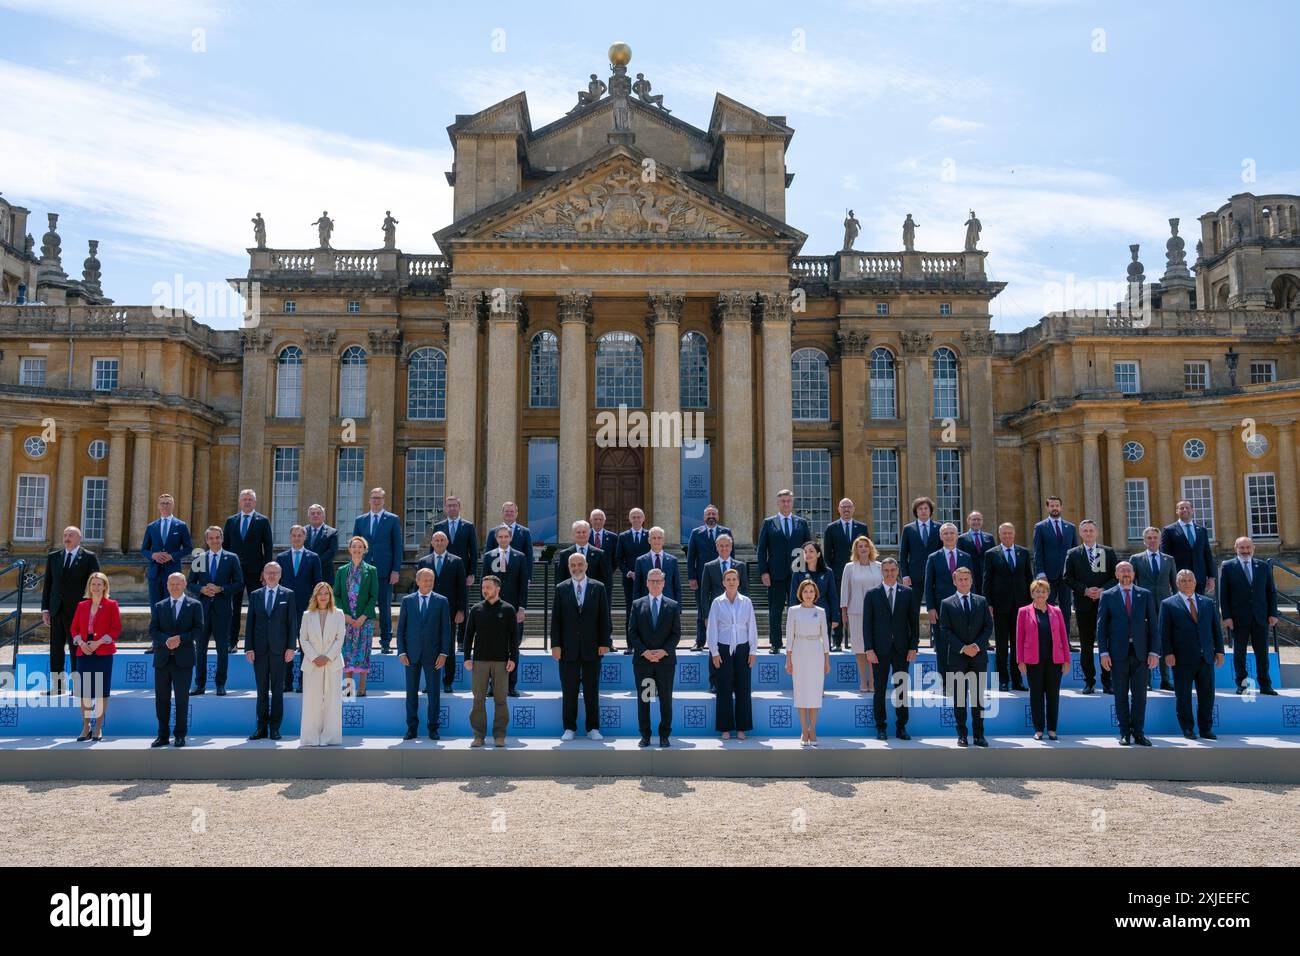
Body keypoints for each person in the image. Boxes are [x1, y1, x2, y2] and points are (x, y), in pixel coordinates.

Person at [550, 552, 612, 741]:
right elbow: (556, 620)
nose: (576, 568)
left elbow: (604, 617)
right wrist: (555, 645)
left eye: (580, 564)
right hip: (567, 649)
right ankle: (569, 727)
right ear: (568, 568)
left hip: (592, 648)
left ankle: (593, 727)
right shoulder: (561, 588)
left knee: (592, 690)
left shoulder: (598, 587)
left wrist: (604, 642)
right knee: (569, 690)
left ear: (586, 566)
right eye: (572, 565)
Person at [1097, 562, 1159, 746]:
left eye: (1129, 570)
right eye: (1122, 570)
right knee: (1120, 695)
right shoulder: (1108, 596)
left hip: (1141, 653)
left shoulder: (1145, 594)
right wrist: (1103, 653)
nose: (1126, 573)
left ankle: (1138, 732)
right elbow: (1101, 628)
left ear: (1133, 574)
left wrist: (1154, 652)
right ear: (1116, 574)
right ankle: (1125, 732)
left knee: (1140, 696)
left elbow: (1154, 626)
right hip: (1117, 654)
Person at [1159, 570, 1224, 740]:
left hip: (1206, 658)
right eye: (1183, 581)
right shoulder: (1168, 604)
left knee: (1207, 696)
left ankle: (1206, 729)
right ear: (1177, 583)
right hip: (1182, 659)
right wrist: (1168, 653)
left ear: (1195, 583)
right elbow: (1164, 633)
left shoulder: (1208, 603)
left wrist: (1219, 651)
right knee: (1183, 696)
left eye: (1190, 580)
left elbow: (1216, 630)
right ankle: (1188, 728)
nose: (1187, 583)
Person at [862, 558, 918, 740]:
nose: (889, 573)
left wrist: (913, 647)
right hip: (879, 650)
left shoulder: (908, 593)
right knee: (879, 689)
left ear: (898, 570)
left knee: (901, 689)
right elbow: (867, 625)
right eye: (886, 570)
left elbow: (914, 624)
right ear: (881, 572)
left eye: (892, 570)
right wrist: (869, 649)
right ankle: (881, 727)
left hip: (902, 649)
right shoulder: (872, 594)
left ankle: (901, 727)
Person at [41, 526, 100, 695]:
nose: (67, 538)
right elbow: (48, 585)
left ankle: (79, 687)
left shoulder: (89, 557)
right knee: (56, 650)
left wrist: (93, 610)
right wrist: (45, 609)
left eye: (71, 535)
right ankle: (57, 687)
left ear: (79, 538)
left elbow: (95, 586)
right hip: (56, 611)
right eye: (65, 535)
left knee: (77, 650)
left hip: (79, 612)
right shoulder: (53, 557)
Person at [1217, 536, 1279, 695]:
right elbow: (1224, 595)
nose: (1245, 551)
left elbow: (1271, 592)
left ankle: (1265, 685)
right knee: (1239, 653)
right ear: (1235, 548)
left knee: (1262, 653)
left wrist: (1273, 613)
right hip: (1238, 618)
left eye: (1248, 548)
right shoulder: (1228, 566)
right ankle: (1242, 685)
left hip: (1260, 617)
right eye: (1242, 548)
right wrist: (1227, 616)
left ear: (1253, 548)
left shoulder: (1263, 566)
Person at [628, 567, 682, 747]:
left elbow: (676, 634)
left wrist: (663, 651)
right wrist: (644, 652)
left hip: (665, 662)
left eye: (659, 581)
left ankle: (664, 734)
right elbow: (632, 632)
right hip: (644, 663)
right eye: (652, 581)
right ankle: (645, 735)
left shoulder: (672, 605)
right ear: (646, 583)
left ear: (664, 583)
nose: (655, 584)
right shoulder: (637, 604)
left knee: (665, 700)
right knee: (645, 700)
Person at [939, 567, 993, 747]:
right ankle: (962, 734)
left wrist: (976, 646)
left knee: (978, 698)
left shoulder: (981, 601)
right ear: (955, 581)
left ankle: (979, 735)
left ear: (971, 581)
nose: (963, 582)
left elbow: (988, 626)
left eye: (966, 579)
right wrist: (963, 647)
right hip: (958, 657)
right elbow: (945, 630)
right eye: (960, 579)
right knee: (960, 698)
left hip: (978, 656)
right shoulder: (946, 603)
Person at [1062, 519, 1117, 695]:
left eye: (1091, 530)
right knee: (1086, 645)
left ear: (1097, 532)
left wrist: (1103, 590)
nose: (1088, 533)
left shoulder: (1107, 552)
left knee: (1106, 644)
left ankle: (1107, 681)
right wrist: (1085, 590)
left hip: (1105, 605)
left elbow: (1116, 576)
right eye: (1084, 531)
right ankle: (1089, 681)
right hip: (1083, 605)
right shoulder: (1073, 553)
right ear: (1080, 533)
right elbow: (1067, 577)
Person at [245, 562, 299, 741]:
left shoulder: (288, 595)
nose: (272, 576)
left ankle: (275, 728)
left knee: (277, 691)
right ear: (263, 574)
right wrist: (249, 647)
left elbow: (292, 623)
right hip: (259, 650)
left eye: (275, 573)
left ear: (280, 574)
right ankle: (261, 728)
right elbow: (250, 624)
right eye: (268, 572)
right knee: (261, 691)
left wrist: (292, 647)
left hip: (280, 651)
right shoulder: (255, 595)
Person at [186, 525, 243, 696]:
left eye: (217, 537)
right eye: (211, 538)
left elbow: (239, 584)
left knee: (222, 649)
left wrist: (221, 589)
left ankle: (220, 684)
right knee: (200, 649)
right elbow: (190, 583)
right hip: (202, 611)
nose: (214, 541)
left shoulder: (231, 558)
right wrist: (202, 589)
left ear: (222, 538)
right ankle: (200, 684)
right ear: (206, 540)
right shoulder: (199, 558)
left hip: (223, 610)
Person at [464, 575, 519, 747]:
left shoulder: (509, 609)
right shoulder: (476, 609)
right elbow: (468, 636)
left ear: (498, 589)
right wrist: (467, 657)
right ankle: (479, 736)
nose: (485, 590)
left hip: (502, 662)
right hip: (480, 661)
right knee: (478, 699)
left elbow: (514, 638)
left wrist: (513, 659)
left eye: (488, 587)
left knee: (500, 699)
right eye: (483, 587)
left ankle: (499, 735)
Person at [397, 568, 451, 741]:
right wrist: (401, 651)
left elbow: (446, 630)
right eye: (425, 580)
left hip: (434, 655)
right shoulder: (407, 601)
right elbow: (401, 629)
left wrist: (443, 653)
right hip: (411, 655)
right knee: (411, 693)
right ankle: (411, 728)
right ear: (418, 581)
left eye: (431, 580)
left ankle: (433, 728)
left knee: (434, 693)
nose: (428, 583)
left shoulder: (442, 601)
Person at [149, 572, 202, 748]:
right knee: (161, 700)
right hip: (162, 660)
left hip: (183, 661)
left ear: (185, 584)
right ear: (167, 585)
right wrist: (166, 640)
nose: (175, 587)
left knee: (182, 699)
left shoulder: (195, 605)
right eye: (171, 584)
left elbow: (199, 630)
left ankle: (180, 735)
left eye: (178, 583)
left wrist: (180, 638)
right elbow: (153, 630)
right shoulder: (159, 605)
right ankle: (162, 735)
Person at [756, 489, 811, 653]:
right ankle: (776, 643)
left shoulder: (801, 523)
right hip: (775, 574)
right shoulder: (769, 523)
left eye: (788, 500)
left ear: (792, 502)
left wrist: (808, 572)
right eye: (783, 501)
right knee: (775, 610)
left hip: (798, 573)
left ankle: (798, 641)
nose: (786, 503)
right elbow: (761, 549)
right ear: (778, 503)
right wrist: (764, 572)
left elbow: (808, 548)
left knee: (799, 609)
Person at [706, 568, 758, 740]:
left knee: (743, 688)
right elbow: (712, 628)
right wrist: (714, 652)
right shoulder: (717, 602)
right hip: (723, 648)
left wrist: (753, 650)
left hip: (743, 647)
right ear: (723, 582)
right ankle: (725, 727)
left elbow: (752, 627)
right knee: (724, 688)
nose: (731, 582)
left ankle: (742, 728)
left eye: (734, 579)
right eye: (728, 579)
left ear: (738, 581)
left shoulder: (746, 602)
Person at [1015, 579, 1070, 740]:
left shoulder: (1057, 612)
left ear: (1048, 594)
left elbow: (1063, 637)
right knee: (1036, 695)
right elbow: (1019, 638)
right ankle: (1038, 729)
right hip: (1033, 661)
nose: (1040, 594)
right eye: (1037, 591)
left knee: (1053, 695)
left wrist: (1066, 660)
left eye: (1043, 591)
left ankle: (1052, 729)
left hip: (1055, 660)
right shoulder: (1023, 612)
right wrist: (1020, 661)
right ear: (1032, 594)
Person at [352, 487, 403, 653]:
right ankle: (360, 641)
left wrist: (395, 570)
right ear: (369, 500)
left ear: (383, 500)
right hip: (363, 571)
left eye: (379, 498)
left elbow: (397, 547)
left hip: (385, 571)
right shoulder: (360, 520)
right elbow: (355, 546)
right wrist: (355, 568)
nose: (376, 501)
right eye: (373, 498)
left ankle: (386, 642)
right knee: (361, 606)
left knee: (384, 607)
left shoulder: (392, 519)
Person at [69, 571, 118, 741]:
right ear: (89, 587)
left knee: (101, 692)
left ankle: (98, 726)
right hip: (84, 651)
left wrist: (98, 643)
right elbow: (74, 629)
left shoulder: (112, 604)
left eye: (99, 584)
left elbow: (115, 629)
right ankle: (86, 726)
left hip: (103, 651)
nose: (96, 587)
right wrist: (81, 643)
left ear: (105, 586)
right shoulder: (82, 605)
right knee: (84, 692)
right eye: (93, 584)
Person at [417, 531, 468, 693]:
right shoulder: (423, 561)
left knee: (448, 646)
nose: (439, 542)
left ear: (447, 543)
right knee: (429, 647)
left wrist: (461, 610)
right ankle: (430, 682)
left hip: (450, 612)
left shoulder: (457, 561)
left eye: (442, 540)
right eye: (436, 540)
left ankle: (448, 681)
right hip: (428, 611)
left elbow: (462, 589)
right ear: (432, 543)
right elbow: (417, 588)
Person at [223, 489, 274, 651]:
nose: (247, 502)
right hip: (234, 572)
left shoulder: (263, 521)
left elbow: (268, 547)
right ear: (240, 501)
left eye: (250, 499)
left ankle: (256, 642)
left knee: (257, 607)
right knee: (234, 607)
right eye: (244, 499)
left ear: (255, 502)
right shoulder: (231, 521)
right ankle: (232, 642)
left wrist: (265, 571)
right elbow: (225, 547)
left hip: (256, 571)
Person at [984, 522, 1032, 692]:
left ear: (1014, 534)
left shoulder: (1024, 553)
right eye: (1004, 533)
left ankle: (1017, 680)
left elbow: (1029, 579)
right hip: (1000, 606)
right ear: (999, 534)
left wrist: (1031, 604)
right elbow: (987, 581)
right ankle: (1003, 680)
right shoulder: (991, 554)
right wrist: (988, 603)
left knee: (1018, 645)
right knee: (1002, 645)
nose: (1007, 536)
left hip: (1021, 607)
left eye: (1010, 533)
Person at [481, 525, 529, 697]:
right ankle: (492, 685)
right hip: (493, 609)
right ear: (496, 539)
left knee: (512, 648)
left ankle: (510, 685)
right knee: (492, 647)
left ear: (510, 538)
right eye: (499, 537)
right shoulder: (488, 557)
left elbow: (523, 585)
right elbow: (484, 584)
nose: (503, 539)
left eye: (505, 536)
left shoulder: (520, 557)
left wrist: (522, 608)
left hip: (514, 610)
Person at [923, 522, 972, 685]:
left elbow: (973, 584)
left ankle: (962, 682)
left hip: (962, 608)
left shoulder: (966, 557)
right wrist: (930, 607)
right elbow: (928, 585)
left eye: (952, 533)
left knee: (962, 645)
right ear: (941, 536)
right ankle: (945, 683)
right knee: (943, 647)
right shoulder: (933, 557)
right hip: (941, 608)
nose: (949, 536)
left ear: (957, 535)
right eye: (946, 533)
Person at [277, 525, 324, 693]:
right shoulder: (281, 558)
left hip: (306, 609)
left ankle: (304, 681)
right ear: (290, 537)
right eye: (294, 535)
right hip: (286, 608)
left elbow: (318, 584)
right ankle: (286, 682)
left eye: (299, 535)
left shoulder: (313, 557)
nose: (296, 538)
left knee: (306, 646)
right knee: (286, 645)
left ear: (304, 537)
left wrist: (316, 607)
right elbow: (278, 585)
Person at [1130, 526, 1177, 691]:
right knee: (1145, 643)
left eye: (1155, 537)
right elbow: (1131, 584)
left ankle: (1165, 679)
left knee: (1164, 642)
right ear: (1144, 540)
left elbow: (1174, 585)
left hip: (1165, 606)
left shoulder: (1169, 560)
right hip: (1143, 607)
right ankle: (1147, 680)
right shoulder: (1135, 559)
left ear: (1159, 540)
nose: (1152, 540)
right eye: (1148, 538)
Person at [298, 581, 345, 746]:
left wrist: (328, 657)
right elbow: (303, 639)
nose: (323, 597)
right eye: (320, 594)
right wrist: (314, 657)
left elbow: (340, 638)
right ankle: (310, 738)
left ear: (330, 596)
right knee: (312, 701)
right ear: (315, 596)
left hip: (333, 664)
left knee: (333, 701)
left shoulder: (338, 614)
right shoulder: (307, 615)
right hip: (312, 664)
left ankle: (330, 738)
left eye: (326, 593)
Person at [699, 534, 747, 689]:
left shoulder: (740, 566)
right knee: (714, 646)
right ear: (716, 547)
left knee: (735, 648)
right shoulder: (709, 566)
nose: (724, 548)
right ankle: (714, 682)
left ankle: (733, 682)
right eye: (721, 546)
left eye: (727, 545)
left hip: (736, 615)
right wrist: (706, 615)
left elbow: (745, 591)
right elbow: (704, 593)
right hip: (717, 614)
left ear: (731, 547)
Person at [786, 579, 831, 747]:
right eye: (805, 591)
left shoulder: (820, 611)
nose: (808, 594)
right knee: (801, 692)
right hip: (799, 650)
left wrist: (827, 660)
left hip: (816, 652)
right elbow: (789, 636)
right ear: (800, 593)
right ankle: (804, 730)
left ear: (815, 593)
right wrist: (788, 659)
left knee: (814, 692)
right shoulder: (793, 611)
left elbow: (825, 636)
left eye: (811, 591)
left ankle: (813, 729)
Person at [334, 536, 378, 697]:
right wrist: (344, 614)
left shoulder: (371, 571)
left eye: (360, 547)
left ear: (364, 550)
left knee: (363, 653)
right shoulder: (342, 571)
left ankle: (362, 688)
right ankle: (348, 689)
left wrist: (363, 617)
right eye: (354, 546)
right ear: (350, 549)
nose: (357, 549)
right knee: (347, 654)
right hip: (346, 620)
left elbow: (374, 596)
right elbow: (336, 595)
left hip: (364, 621)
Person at [433, 494, 478, 651]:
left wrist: (472, 573)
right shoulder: (438, 526)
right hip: (441, 574)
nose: (452, 508)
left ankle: (461, 642)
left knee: (462, 607)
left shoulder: (468, 526)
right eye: (449, 505)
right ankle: (442, 640)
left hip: (463, 575)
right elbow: (433, 551)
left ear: (459, 507)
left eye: (454, 505)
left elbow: (473, 551)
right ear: (445, 508)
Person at [839, 536, 883, 693]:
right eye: (860, 546)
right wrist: (844, 612)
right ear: (856, 550)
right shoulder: (849, 567)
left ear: (870, 548)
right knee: (859, 647)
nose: (863, 549)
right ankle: (863, 680)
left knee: (874, 647)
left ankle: (873, 680)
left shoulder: (879, 566)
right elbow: (845, 590)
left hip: (877, 613)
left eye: (866, 546)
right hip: (856, 611)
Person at [686, 505, 730, 649]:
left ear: (718, 516)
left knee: (723, 609)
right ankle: (700, 642)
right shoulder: (696, 533)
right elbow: (691, 556)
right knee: (702, 610)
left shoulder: (726, 532)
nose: (711, 517)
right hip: (701, 577)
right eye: (708, 514)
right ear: (704, 517)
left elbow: (731, 554)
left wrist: (731, 577)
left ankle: (722, 640)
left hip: (721, 576)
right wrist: (691, 577)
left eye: (713, 514)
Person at [1032, 496, 1078, 636]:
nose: (1055, 508)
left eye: (1057, 505)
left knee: (1065, 609)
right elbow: (1037, 552)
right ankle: (1048, 638)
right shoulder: (1040, 527)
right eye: (1052, 505)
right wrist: (1040, 573)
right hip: (1047, 576)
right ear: (1047, 508)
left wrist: (1074, 572)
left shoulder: (1070, 527)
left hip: (1066, 576)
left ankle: (1065, 640)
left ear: (1061, 507)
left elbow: (1074, 552)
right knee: (1047, 608)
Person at [140, 494, 191, 608]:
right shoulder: (151, 526)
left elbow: (188, 548)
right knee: (155, 606)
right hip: (155, 572)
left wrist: (172, 556)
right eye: (162, 503)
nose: (165, 506)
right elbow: (144, 550)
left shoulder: (181, 525)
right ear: (158, 506)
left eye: (167, 503)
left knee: (172, 605)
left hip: (173, 573)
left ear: (173, 505)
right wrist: (153, 555)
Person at [823, 499, 869, 627]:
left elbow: (867, 550)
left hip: (859, 572)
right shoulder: (831, 528)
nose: (846, 509)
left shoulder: (862, 527)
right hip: (838, 574)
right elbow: (827, 554)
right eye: (843, 507)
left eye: (849, 506)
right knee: (838, 604)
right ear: (839, 509)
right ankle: (838, 639)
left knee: (859, 603)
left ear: (853, 509)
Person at [789, 540, 839, 646]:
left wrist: (835, 617)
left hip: (823, 615)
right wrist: (792, 616)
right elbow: (794, 596)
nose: (807, 554)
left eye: (811, 551)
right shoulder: (797, 573)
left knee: (823, 648)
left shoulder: (828, 572)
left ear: (819, 554)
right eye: (805, 552)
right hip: (802, 616)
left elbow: (833, 596)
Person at [1161, 500, 1216, 595]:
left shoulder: (1202, 530)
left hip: (1199, 578)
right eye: (1181, 508)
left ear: (1192, 510)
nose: (1185, 510)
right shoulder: (1168, 530)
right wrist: (1168, 577)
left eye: (1187, 507)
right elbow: (1165, 555)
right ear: (1177, 511)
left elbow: (1207, 554)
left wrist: (1211, 577)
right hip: (1179, 578)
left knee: (1198, 607)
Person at [898, 496, 941, 600]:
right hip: (914, 576)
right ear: (916, 511)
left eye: (926, 508)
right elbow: (903, 555)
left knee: (937, 607)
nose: (923, 511)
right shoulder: (908, 529)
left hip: (936, 573)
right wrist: (905, 575)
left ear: (930, 510)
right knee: (913, 608)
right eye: (920, 509)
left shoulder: (939, 527)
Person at [556, 519, 613, 594]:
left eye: (584, 532)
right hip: (570, 598)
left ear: (589, 534)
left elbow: (607, 580)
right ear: (573, 534)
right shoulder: (565, 554)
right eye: (578, 532)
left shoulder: (600, 554)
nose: (581, 535)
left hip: (593, 597)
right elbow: (560, 580)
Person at [484, 500, 533, 587]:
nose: (509, 513)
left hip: (517, 574)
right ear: (502, 513)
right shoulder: (493, 532)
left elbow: (528, 556)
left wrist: (528, 577)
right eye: (506, 511)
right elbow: (488, 555)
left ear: (516, 513)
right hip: (497, 575)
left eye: (512, 511)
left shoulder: (525, 532)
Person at [633, 526, 681, 604]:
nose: (657, 541)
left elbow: (677, 587)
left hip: (668, 605)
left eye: (659, 538)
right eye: (654, 538)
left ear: (663, 540)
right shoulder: (640, 561)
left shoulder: (673, 561)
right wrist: (636, 608)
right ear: (649, 540)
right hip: (646, 605)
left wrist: (678, 609)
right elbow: (637, 588)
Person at [617, 507, 652, 610]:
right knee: (630, 608)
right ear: (629, 519)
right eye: (634, 517)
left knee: (646, 608)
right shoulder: (623, 536)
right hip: (629, 580)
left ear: (643, 518)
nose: (636, 520)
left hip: (647, 579)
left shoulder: (650, 535)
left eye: (638, 517)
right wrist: (628, 572)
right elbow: (618, 558)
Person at [956, 511, 993, 597]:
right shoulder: (961, 539)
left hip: (986, 575)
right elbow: (960, 559)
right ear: (968, 521)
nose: (976, 522)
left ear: (982, 521)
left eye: (979, 519)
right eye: (974, 519)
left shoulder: (989, 538)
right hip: (969, 575)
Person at [304, 504, 340, 582]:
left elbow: (332, 552)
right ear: (309, 517)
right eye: (312, 513)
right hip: (305, 573)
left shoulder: (332, 532)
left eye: (318, 513)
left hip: (324, 574)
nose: (315, 515)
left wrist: (315, 564)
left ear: (323, 516)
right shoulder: (302, 531)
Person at [588, 509, 619, 581]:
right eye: (595, 519)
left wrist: (609, 571)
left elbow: (616, 557)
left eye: (601, 519)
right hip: (588, 576)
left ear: (604, 521)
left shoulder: (613, 537)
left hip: (606, 577)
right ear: (591, 520)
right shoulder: (585, 536)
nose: (598, 521)